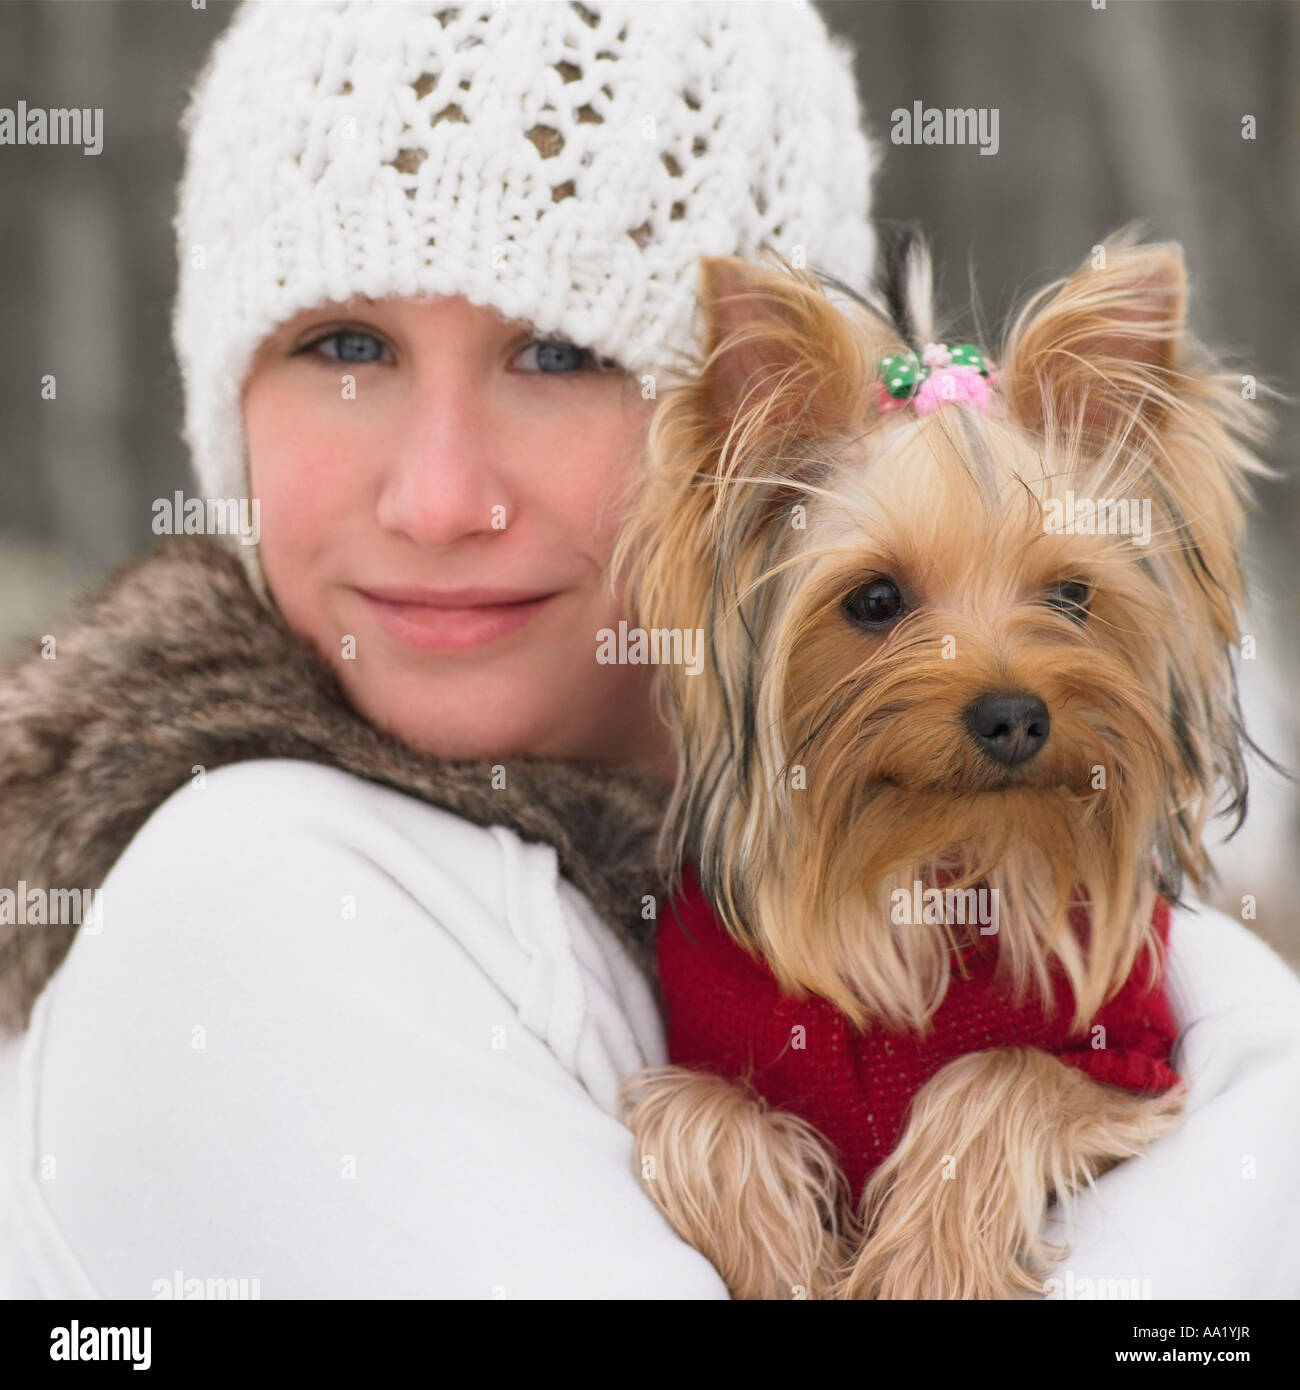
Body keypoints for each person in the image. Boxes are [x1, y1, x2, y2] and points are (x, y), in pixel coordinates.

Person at [1, 0, 1297, 1300]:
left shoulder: (1099, 956)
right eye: (345, 348)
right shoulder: (243, 890)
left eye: (558, 352)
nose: (440, 496)